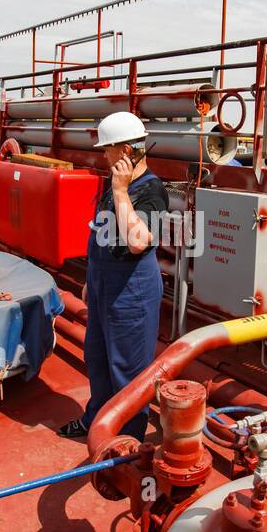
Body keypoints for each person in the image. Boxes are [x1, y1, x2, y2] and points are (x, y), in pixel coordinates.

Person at [59, 112, 168, 441]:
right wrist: (91, 280)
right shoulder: (115, 184)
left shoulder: (152, 191)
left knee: (128, 369)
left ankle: (127, 440)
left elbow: (138, 242)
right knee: (98, 357)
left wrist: (121, 192)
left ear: (126, 151)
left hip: (132, 290)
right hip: (104, 284)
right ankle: (96, 420)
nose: (105, 156)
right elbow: (103, 233)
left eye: (107, 149)